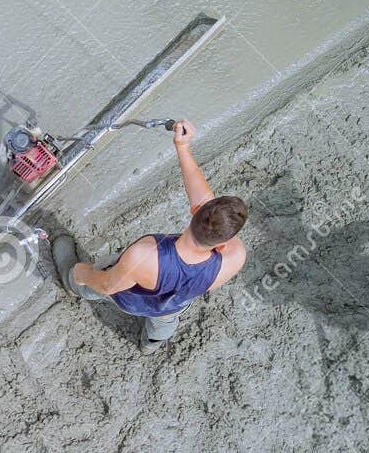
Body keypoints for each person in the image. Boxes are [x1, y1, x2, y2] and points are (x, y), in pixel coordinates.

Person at [51, 119, 248, 354]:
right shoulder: (234, 256)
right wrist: (183, 148)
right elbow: (203, 200)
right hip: (173, 305)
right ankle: (151, 343)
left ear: (195, 210)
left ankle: (73, 284)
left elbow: (107, 285)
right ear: (223, 243)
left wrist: (82, 273)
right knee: (165, 322)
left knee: (98, 275)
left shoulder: (145, 255)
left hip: (133, 301)